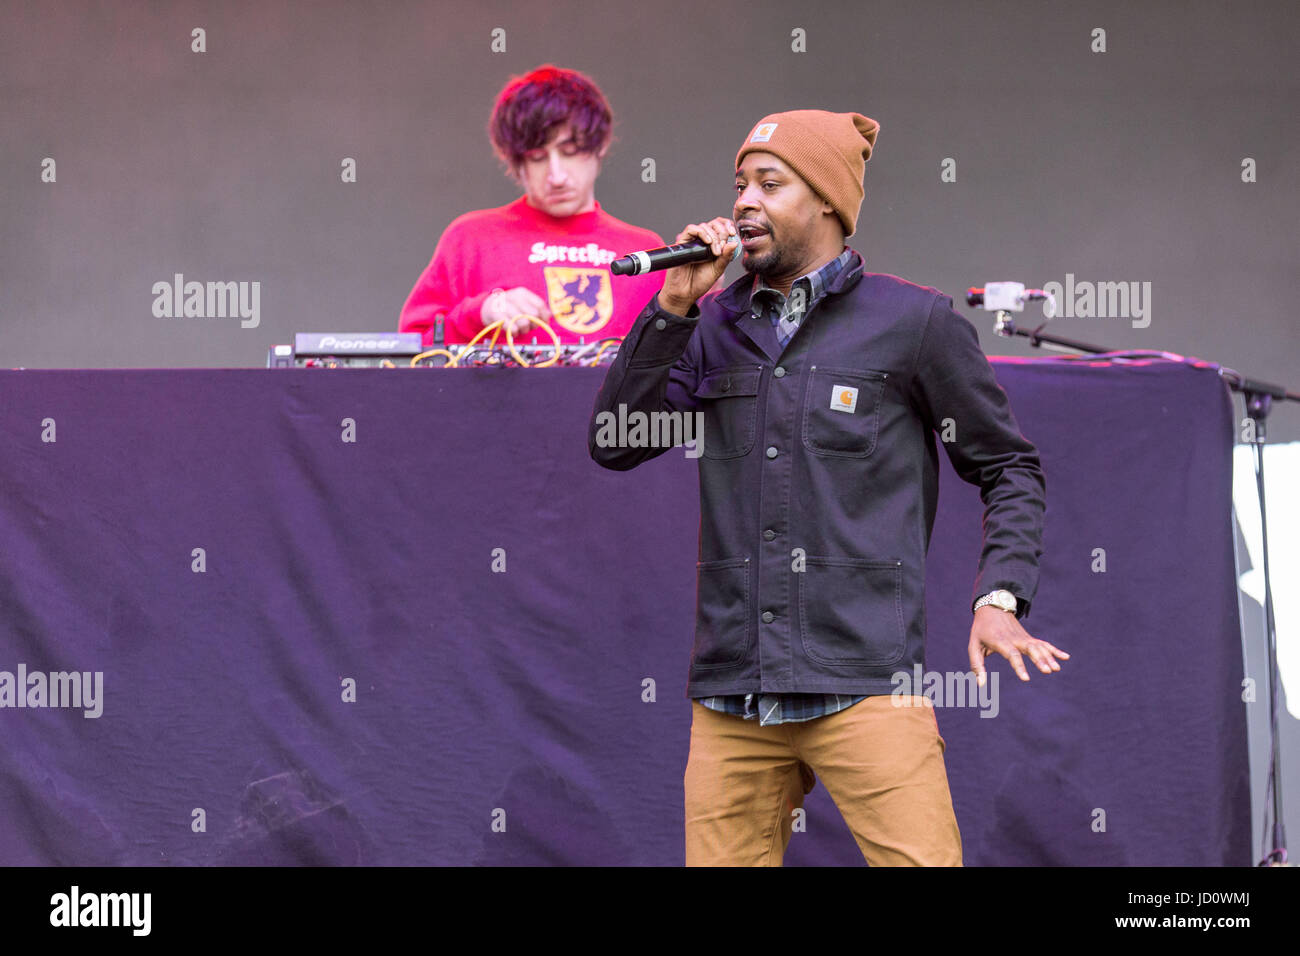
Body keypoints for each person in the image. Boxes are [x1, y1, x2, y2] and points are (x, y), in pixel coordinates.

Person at [588, 109, 1067, 866]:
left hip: (867, 681)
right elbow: (615, 442)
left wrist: (997, 597)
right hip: (734, 691)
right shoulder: (711, 326)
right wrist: (674, 306)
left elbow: (1008, 466)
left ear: (827, 203)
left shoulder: (913, 324)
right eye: (739, 183)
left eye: (769, 184)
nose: (744, 200)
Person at [399, 65, 665, 347]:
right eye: (537, 157)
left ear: (599, 147)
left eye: (570, 152)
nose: (557, 176)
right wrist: (481, 312)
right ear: (517, 162)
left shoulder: (646, 251)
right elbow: (410, 350)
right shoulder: (470, 239)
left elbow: (685, 364)